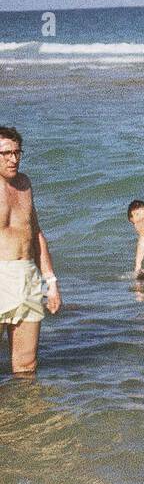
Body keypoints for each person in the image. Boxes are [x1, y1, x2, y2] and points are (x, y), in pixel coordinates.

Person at [0, 127, 61, 376]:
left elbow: (36, 234)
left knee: (26, 366)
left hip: (28, 276)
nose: (13, 159)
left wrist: (51, 282)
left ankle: (27, 414)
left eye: (17, 152)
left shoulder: (25, 184)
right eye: (5, 153)